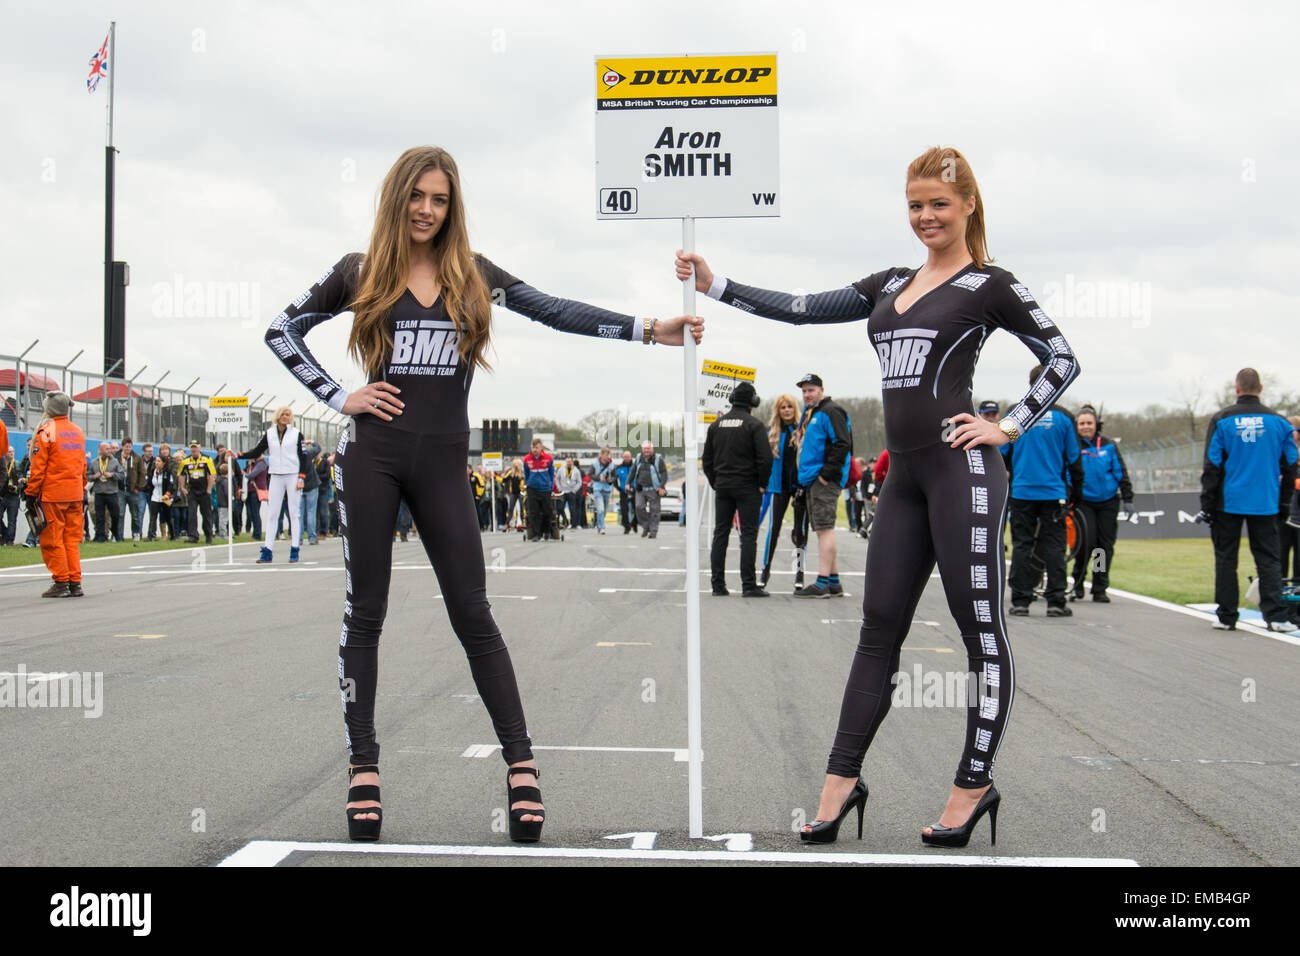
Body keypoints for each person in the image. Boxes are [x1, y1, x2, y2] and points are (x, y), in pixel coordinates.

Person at [260, 145, 703, 842]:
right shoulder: (360, 270)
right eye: (417, 197)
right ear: (396, 197)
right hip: (370, 457)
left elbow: (555, 310)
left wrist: (650, 329)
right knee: (365, 613)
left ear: (452, 205)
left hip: (442, 463)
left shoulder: (474, 275)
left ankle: (522, 765)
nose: (427, 210)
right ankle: (363, 767)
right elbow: (280, 330)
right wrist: (339, 396)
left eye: (439, 199)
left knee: (474, 611)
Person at [675, 145, 1080, 847]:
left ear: (969, 206)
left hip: (965, 475)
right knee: (877, 629)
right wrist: (718, 286)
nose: (926, 217)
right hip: (905, 482)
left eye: (939, 205)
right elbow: (803, 309)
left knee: (981, 631)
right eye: (916, 205)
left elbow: (1062, 359)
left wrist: (1007, 425)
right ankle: (840, 783)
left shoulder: (991, 284)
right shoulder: (890, 282)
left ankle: (972, 784)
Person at [1197, 367, 1298, 632]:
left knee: (1226, 558)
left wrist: (1207, 504)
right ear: (1261, 389)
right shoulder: (1280, 422)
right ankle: (1276, 617)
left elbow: (1212, 466)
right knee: (1269, 559)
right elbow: (1291, 465)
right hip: (1265, 501)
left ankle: (1226, 616)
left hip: (1229, 501)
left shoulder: (1222, 419)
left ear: (1237, 389)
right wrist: (1284, 503)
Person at [1004, 365, 1083, 616]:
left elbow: (1001, 455)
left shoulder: (1015, 414)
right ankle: (1056, 602)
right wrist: (1076, 495)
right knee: (1055, 547)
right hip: (1053, 493)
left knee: (1021, 545)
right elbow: (1074, 460)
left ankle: (1020, 600)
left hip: (1021, 492)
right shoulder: (1063, 417)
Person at [703, 381, 773, 596]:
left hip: (723, 486)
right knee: (748, 535)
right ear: (753, 401)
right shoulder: (754, 425)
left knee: (720, 534)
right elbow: (765, 459)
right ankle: (749, 585)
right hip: (748, 487)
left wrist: (716, 481)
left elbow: (707, 460)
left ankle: (717, 585)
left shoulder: (716, 425)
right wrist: (762, 484)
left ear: (732, 400)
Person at [790, 373, 853, 599]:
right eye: (804, 391)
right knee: (822, 530)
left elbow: (843, 443)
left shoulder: (830, 411)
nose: (807, 395)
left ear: (821, 390)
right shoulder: (813, 413)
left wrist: (826, 475)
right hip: (812, 480)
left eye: (811, 390)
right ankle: (833, 582)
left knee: (824, 530)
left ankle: (822, 582)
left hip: (823, 480)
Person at [25, 393, 87, 597]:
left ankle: (61, 582)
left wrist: (31, 492)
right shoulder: (77, 431)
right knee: (71, 540)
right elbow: (82, 465)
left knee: (53, 540)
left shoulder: (46, 431)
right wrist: (81, 487)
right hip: (75, 493)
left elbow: (38, 467)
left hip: (53, 494)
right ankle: (75, 582)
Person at [231, 407, 312, 563]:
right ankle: (267, 550)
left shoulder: (296, 434)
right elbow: (256, 452)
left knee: (294, 513)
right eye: (282, 414)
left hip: (293, 475)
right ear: (277, 416)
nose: (285, 417)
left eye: (288, 415)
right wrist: (238, 455)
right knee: (273, 513)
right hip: (275, 475)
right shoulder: (269, 433)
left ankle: (295, 549)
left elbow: (304, 457)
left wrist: (301, 477)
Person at [1071, 405, 1133, 602]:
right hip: (1083, 502)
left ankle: (1099, 587)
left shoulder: (1109, 445)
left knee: (1103, 547)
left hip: (1108, 502)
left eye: (1089, 423)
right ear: (1077, 426)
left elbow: (1120, 472)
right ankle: (1078, 582)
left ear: (1096, 424)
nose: (1086, 427)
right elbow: (1067, 472)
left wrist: (1128, 498)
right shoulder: (1073, 445)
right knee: (1085, 544)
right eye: (1082, 424)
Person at [758, 393, 801, 587]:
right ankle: (765, 570)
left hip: (800, 487)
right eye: (783, 407)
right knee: (773, 529)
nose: (786, 410)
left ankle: (799, 573)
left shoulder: (802, 430)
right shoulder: (771, 433)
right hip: (778, 487)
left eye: (789, 407)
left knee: (800, 532)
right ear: (778, 410)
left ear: (794, 409)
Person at [627, 440, 668, 538]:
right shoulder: (638, 458)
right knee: (639, 507)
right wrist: (628, 482)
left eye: (648, 449)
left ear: (652, 449)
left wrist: (661, 486)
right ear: (642, 449)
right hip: (640, 488)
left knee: (655, 510)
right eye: (645, 449)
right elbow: (633, 471)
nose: (646, 451)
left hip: (654, 488)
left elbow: (664, 473)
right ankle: (646, 527)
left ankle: (653, 531)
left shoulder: (658, 459)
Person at [178, 441, 217, 544]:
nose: (194, 449)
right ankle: (193, 536)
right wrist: (182, 487)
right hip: (192, 491)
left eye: (195, 447)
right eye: (192, 448)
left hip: (204, 491)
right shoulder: (185, 461)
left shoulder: (206, 459)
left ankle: (208, 535)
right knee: (191, 514)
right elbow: (180, 474)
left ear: (199, 448)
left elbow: (212, 474)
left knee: (206, 514)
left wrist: (209, 489)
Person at [87, 441, 126, 542]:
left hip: (112, 492)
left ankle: (116, 533)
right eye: (107, 449)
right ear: (100, 450)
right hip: (99, 492)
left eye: (109, 449)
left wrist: (112, 475)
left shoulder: (115, 462)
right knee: (99, 516)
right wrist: (93, 477)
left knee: (115, 515)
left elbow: (122, 475)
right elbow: (87, 476)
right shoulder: (94, 462)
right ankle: (100, 536)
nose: (109, 451)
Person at [523, 438, 557, 540]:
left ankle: (546, 531)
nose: (534, 450)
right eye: (533, 447)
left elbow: (551, 473)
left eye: (536, 447)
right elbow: (526, 473)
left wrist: (550, 486)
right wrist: (528, 483)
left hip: (545, 488)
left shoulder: (549, 458)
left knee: (548, 511)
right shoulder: (526, 459)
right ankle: (536, 534)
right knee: (533, 512)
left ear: (541, 447)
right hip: (532, 489)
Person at [590, 448, 618, 535]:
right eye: (605, 454)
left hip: (607, 489)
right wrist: (599, 478)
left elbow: (615, 476)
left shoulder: (612, 465)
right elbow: (590, 474)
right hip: (597, 489)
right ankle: (601, 527)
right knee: (600, 509)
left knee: (604, 510)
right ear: (601, 455)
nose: (606, 456)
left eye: (608, 455)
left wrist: (609, 480)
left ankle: (599, 524)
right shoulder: (595, 464)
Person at [0, 446, 19, 545]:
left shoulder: (17, 464)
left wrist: (18, 487)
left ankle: (9, 541)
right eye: (9, 452)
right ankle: (5, 533)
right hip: (3, 495)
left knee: (12, 520)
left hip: (14, 496)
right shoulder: (2, 463)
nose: (11, 453)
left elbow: (23, 478)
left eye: (13, 451)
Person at [557, 457, 583, 530]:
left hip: (571, 491)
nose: (568, 463)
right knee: (560, 507)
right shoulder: (561, 469)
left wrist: (575, 490)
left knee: (572, 509)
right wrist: (559, 488)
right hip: (563, 491)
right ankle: (562, 522)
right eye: (567, 462)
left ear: (572, 462)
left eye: (570, 462)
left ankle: (573, 524)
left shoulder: (576, 470)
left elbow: (579, 482)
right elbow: (557, 478)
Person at [615, 449, 637, 534]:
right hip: (623, 491)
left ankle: (634, 523)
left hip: (634, 491)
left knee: (637, 509)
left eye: (628, 457)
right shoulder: (618, 468)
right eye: (625, 457)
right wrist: (618, 487)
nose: (627, 458)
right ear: (623, 457)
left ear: (631, 457)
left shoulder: (636, 467)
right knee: (624, 510)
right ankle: (626, 527)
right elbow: (614, 479)